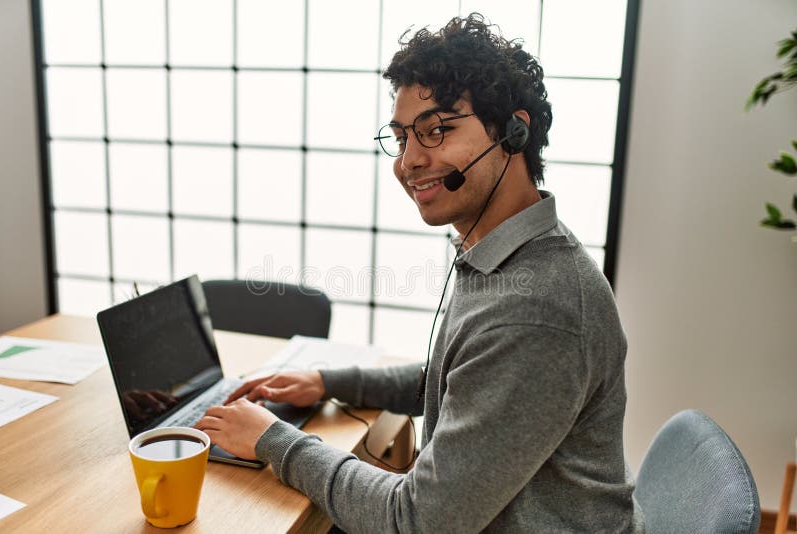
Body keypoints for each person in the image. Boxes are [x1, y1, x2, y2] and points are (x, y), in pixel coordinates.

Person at [196, 13, 644, 533]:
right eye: (402, 138)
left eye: (436, 131)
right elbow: (458, 382)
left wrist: (272, 440)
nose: (408, 161)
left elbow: (418, 521)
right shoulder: (507, 254)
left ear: (513, 132)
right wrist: (326, 382)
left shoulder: (537, 310)